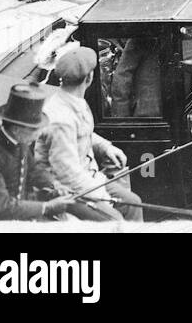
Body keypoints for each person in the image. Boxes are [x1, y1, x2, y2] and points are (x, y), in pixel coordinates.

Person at [31, 46, 142, 222]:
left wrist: (105, 147)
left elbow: (82, 132)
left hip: (87, 179)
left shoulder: (73, 101)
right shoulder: (60, 119)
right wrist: (102, 195)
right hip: (63, 190)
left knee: (133, 203)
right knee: (114, 221)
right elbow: (67, 172)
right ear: (89, 78)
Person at [0, 84, 78, 221]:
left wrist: (54, 185)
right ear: (17, 129)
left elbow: (33, 170)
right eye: (35, 130)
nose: (39, 134)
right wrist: (46, 207)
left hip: (17, 215)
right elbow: (2, 207)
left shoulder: (19, 140)